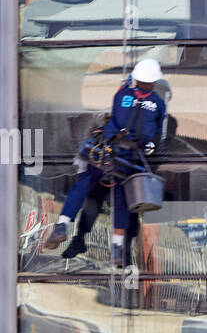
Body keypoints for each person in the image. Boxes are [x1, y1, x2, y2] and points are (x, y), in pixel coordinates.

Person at [43, 58, 167, 266]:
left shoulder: (122, 95)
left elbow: (119, 113)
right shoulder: (158, 104)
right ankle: (117, 248)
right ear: (154, 82)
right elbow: (154, 135)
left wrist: (128, 86)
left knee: (82, 186)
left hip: (105, 152)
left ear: (136, 78)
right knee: (121, 202)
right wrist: (150, 148)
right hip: (128, 160)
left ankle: (62, 224)